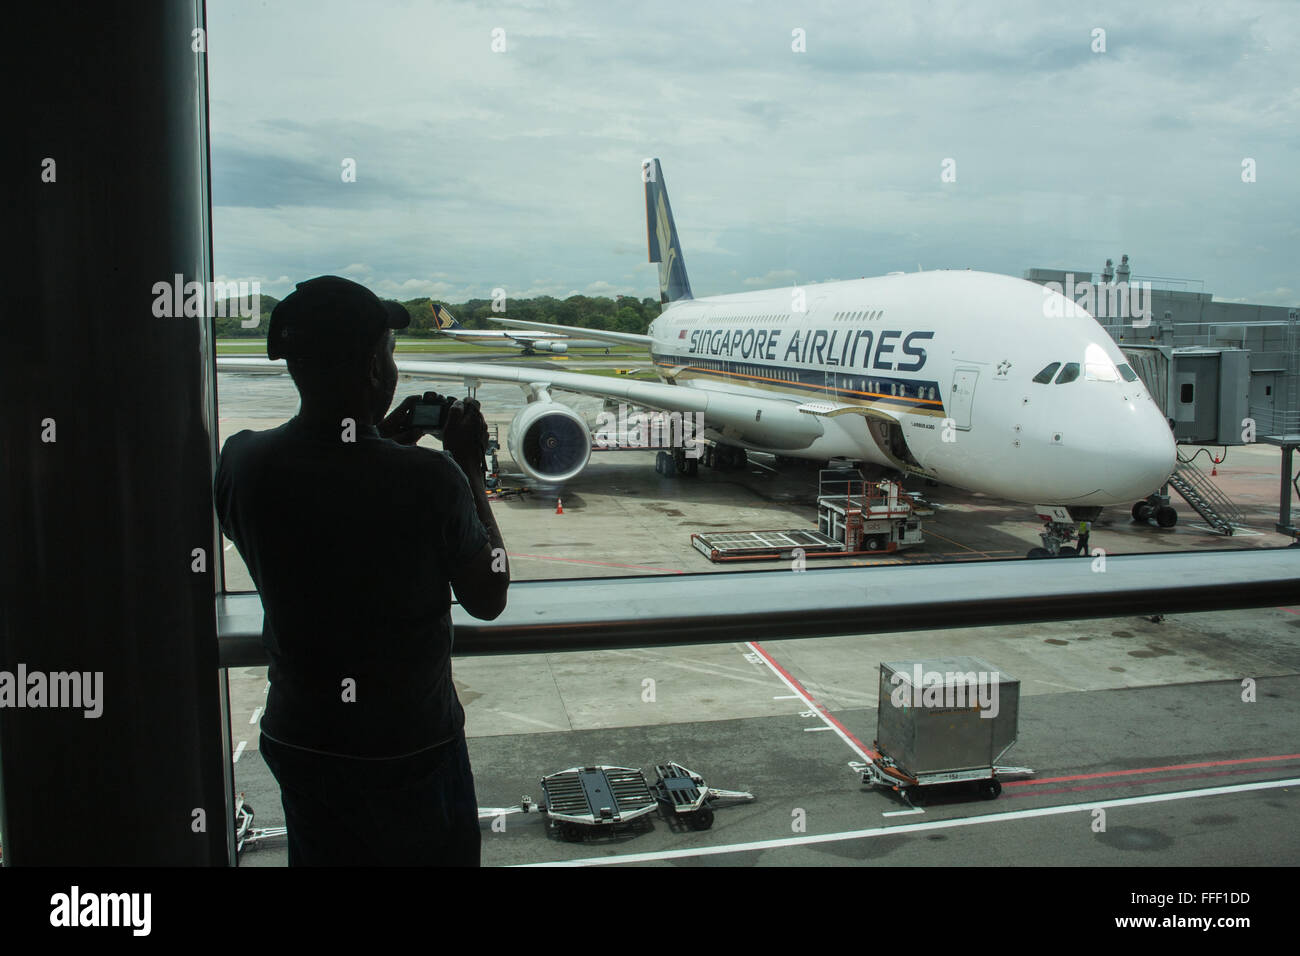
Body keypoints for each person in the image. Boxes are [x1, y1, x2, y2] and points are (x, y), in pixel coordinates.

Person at [214, 275, 508, 866]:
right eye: (390, 353)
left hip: (301, 737)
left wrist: (376, 436)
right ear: (375, 368)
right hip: (408, 746)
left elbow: (326, 489)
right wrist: (469, 470)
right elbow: (489, 592)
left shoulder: (243, 462)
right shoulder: (430, 481)